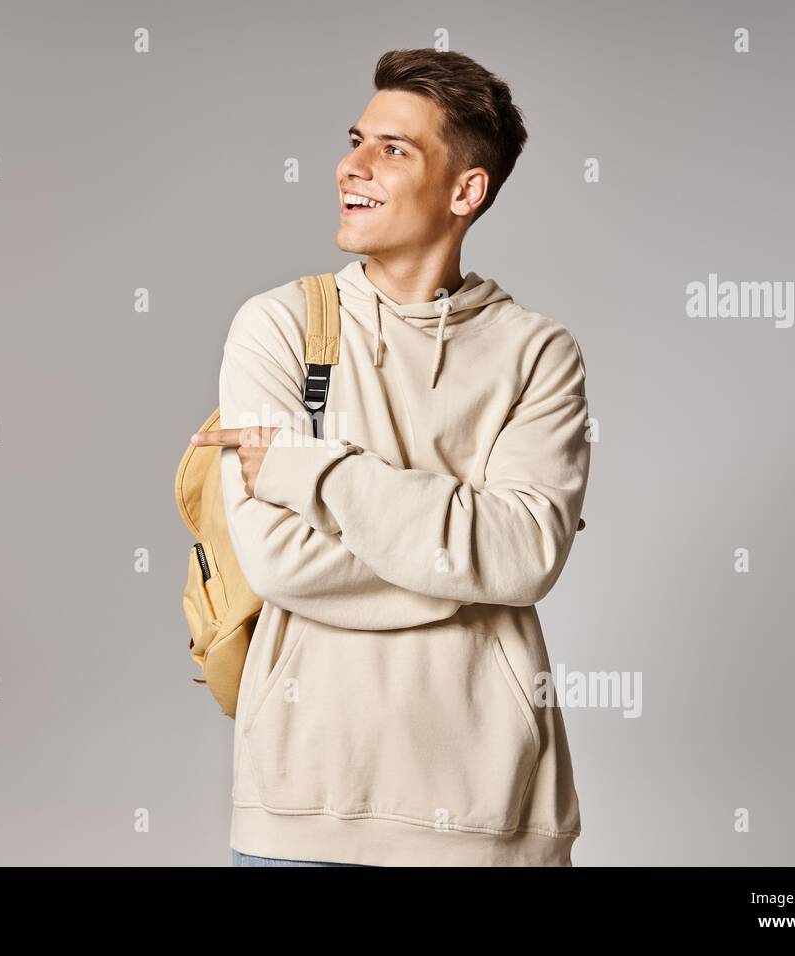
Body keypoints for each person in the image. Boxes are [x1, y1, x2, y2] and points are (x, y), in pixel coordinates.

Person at [191, 48, 591, 867]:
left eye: (394, 148)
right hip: (301, 809)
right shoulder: (278, 327)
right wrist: (462, 566)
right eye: (356, 140)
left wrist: (313, 472)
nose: (351, 165)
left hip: (491, 816)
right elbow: (280, 561)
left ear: (465, 190)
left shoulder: (538, 354)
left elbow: (522, 557)